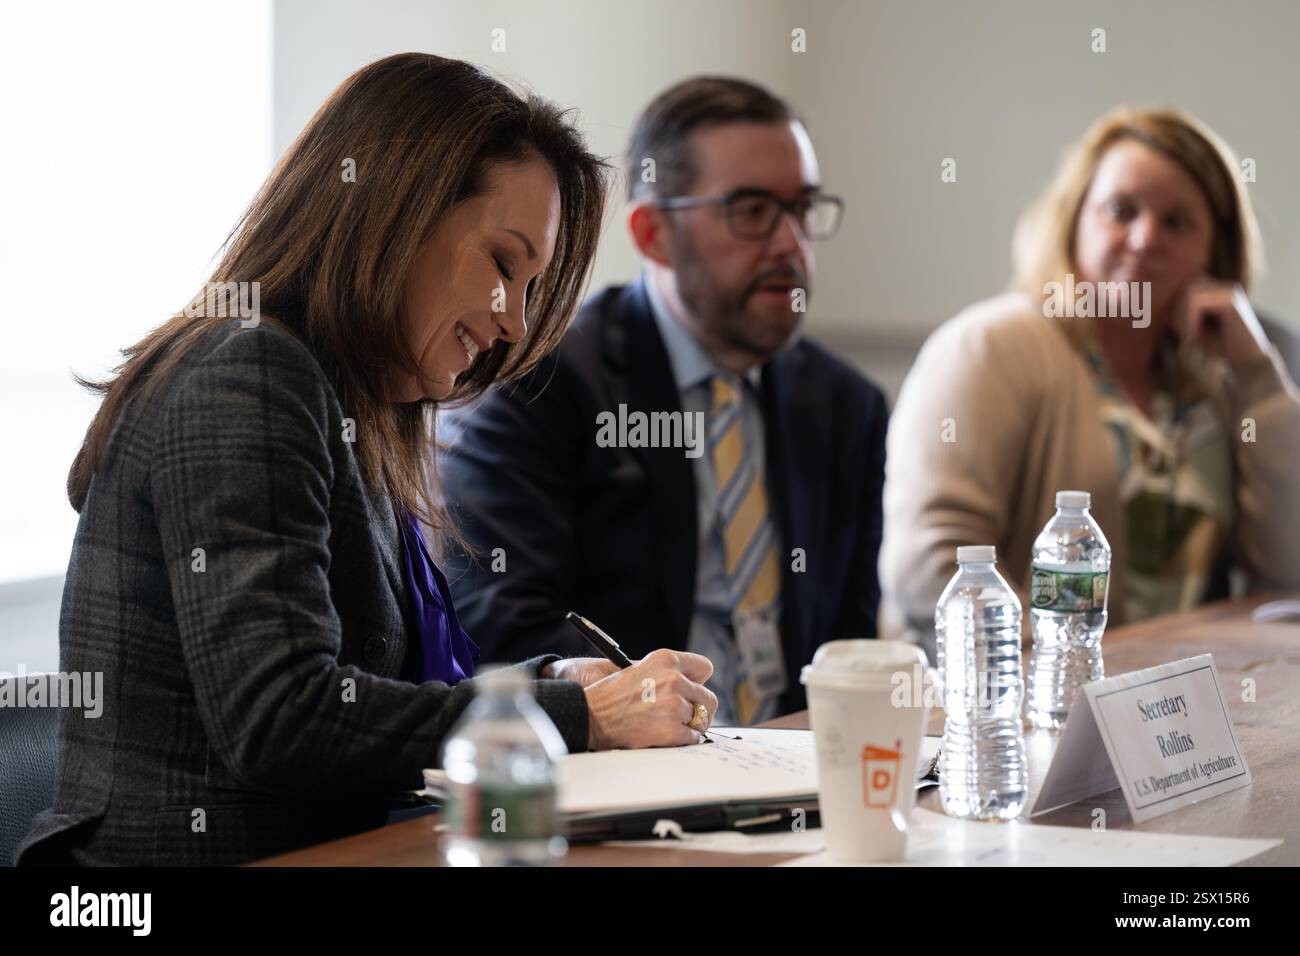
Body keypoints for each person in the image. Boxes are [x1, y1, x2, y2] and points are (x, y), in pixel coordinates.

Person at [19, 53, 717, 867]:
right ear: (394, 215)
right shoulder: (248, 374)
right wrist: (581, 717)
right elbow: (283, 717)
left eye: (531, 288)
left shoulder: (345, 403)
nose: (517, 324)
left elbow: (378, 695)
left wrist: (560, 684)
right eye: (502, 264)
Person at [440, 77, 889, 725]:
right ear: (653, 234)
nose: (792, 243)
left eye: (803, 208)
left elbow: (849, 646)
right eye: (754, 211)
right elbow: (501, 629)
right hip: (625, 774)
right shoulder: (542, 381)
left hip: (795, 773)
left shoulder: (846, 405)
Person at [880, 106, 1300, 661]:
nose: (1145, 239)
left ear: (1215, 252)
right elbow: (929, 568)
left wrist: (1256, 371)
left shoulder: (1221, 379)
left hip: (1180, 719)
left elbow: (1288, 564)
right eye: (1121, 211)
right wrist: (1075, 671)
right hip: (1015, 709)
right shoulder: (989, 347)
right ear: (1073, 220)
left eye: (1177, 223)